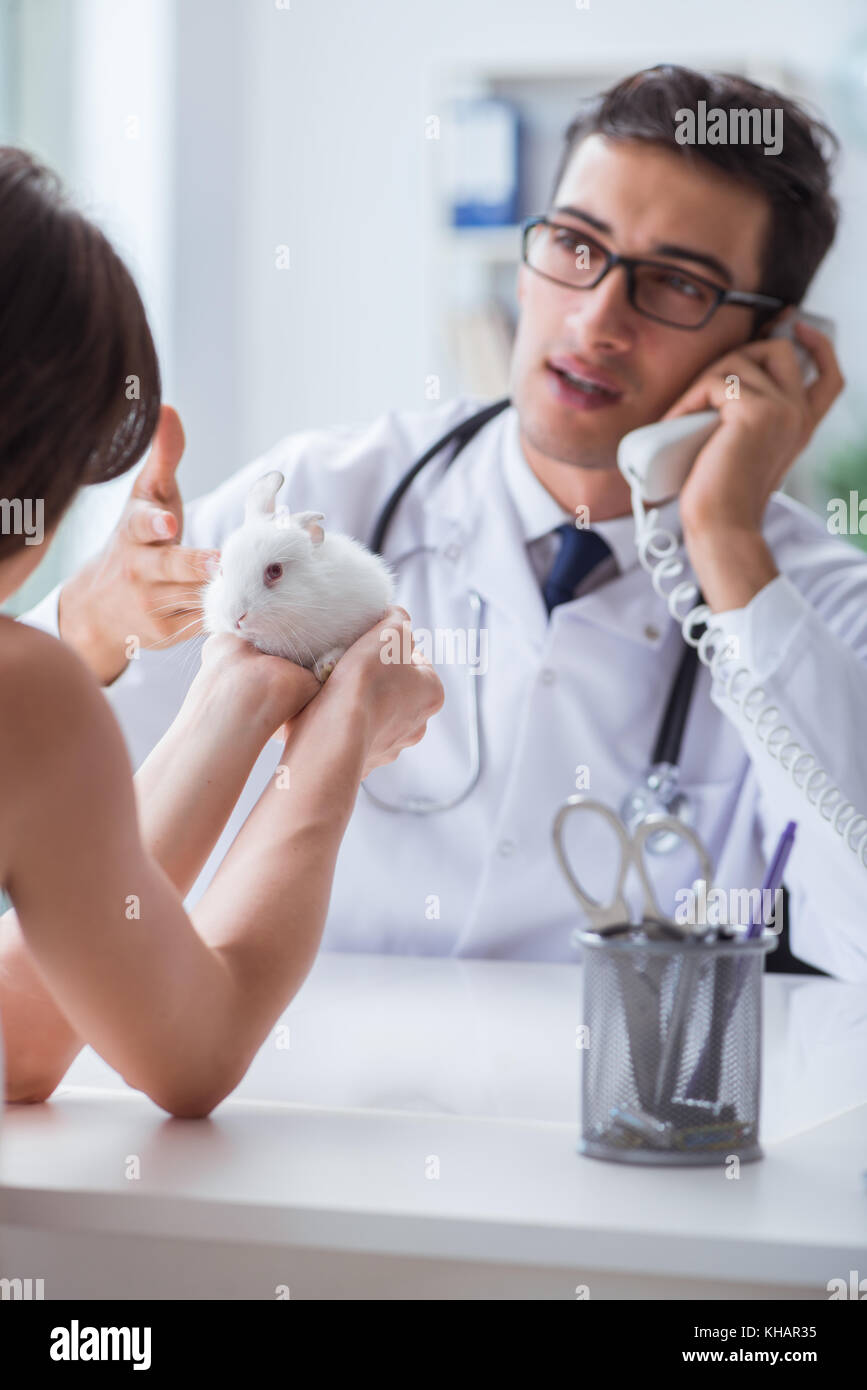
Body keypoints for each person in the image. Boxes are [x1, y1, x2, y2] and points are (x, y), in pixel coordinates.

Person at [22, 66, 867, 979]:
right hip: (282, 1107)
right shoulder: (319, 495)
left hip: (603, 1119)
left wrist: (727, 545)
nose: (595, 319)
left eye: (673, 283)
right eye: (576, 246)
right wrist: (91, 623)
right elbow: (25, 793)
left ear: (770, 342)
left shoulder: (811, 603)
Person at [0, 148, 443, 1115]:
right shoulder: (25, 689)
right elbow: (191, 1049)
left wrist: (238, 696)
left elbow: (15, 1037)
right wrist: (337, 742)